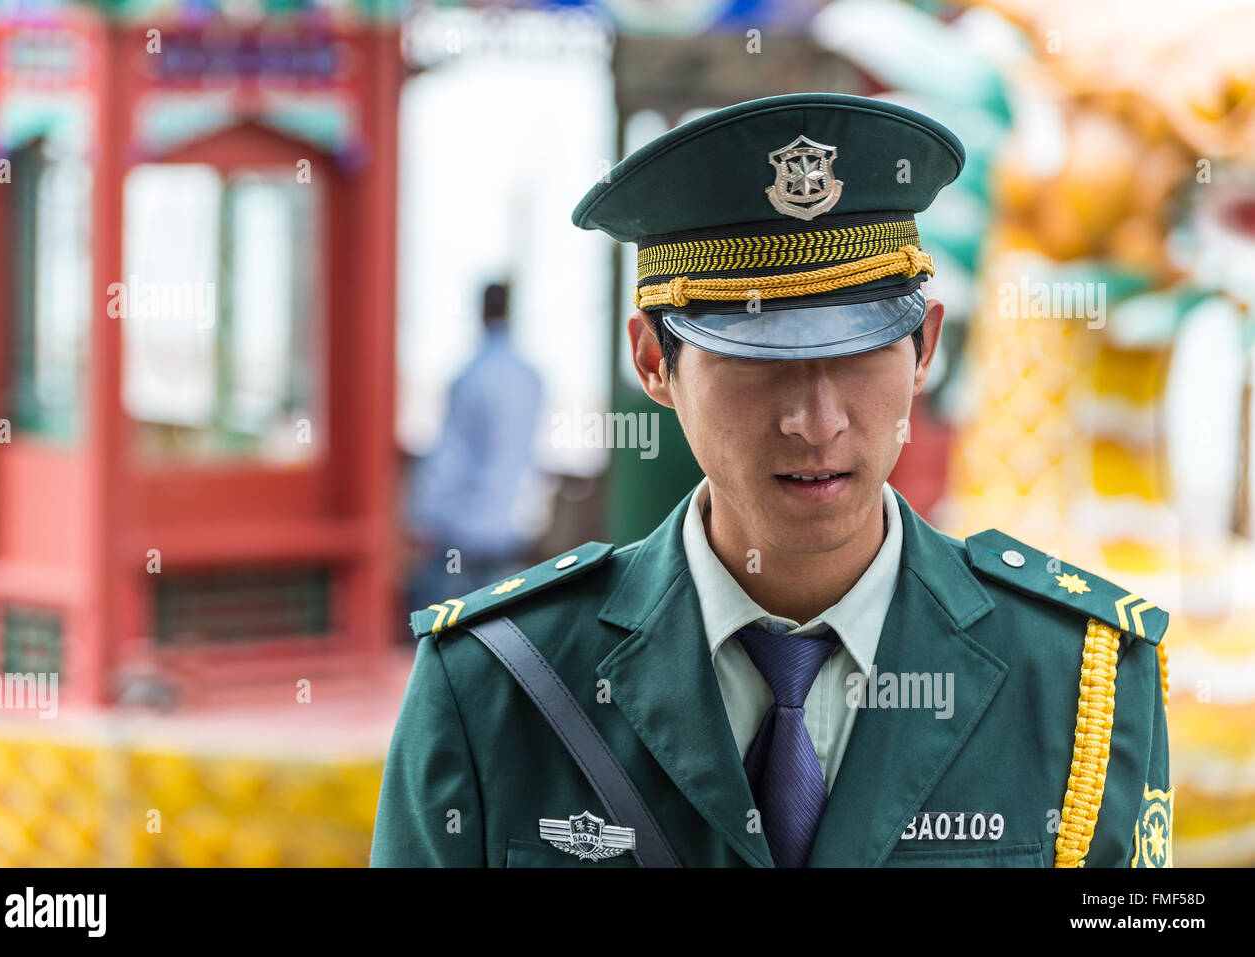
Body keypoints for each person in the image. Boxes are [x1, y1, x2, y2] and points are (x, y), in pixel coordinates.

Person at [371, 93, 1171, 867]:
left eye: (861, 352)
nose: (816, 422)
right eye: (758, 357)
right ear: (654, 359)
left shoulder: (1077, 675)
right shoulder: (497, 680)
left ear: (925, 347)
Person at [402, 282, 544, 636]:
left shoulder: (470, 376)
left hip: (462, 529)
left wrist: (422, 514)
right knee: (498, 634)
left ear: (480, 312)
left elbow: (451, 457)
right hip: (511, 526)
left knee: (440, 634)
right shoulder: (532, 378)